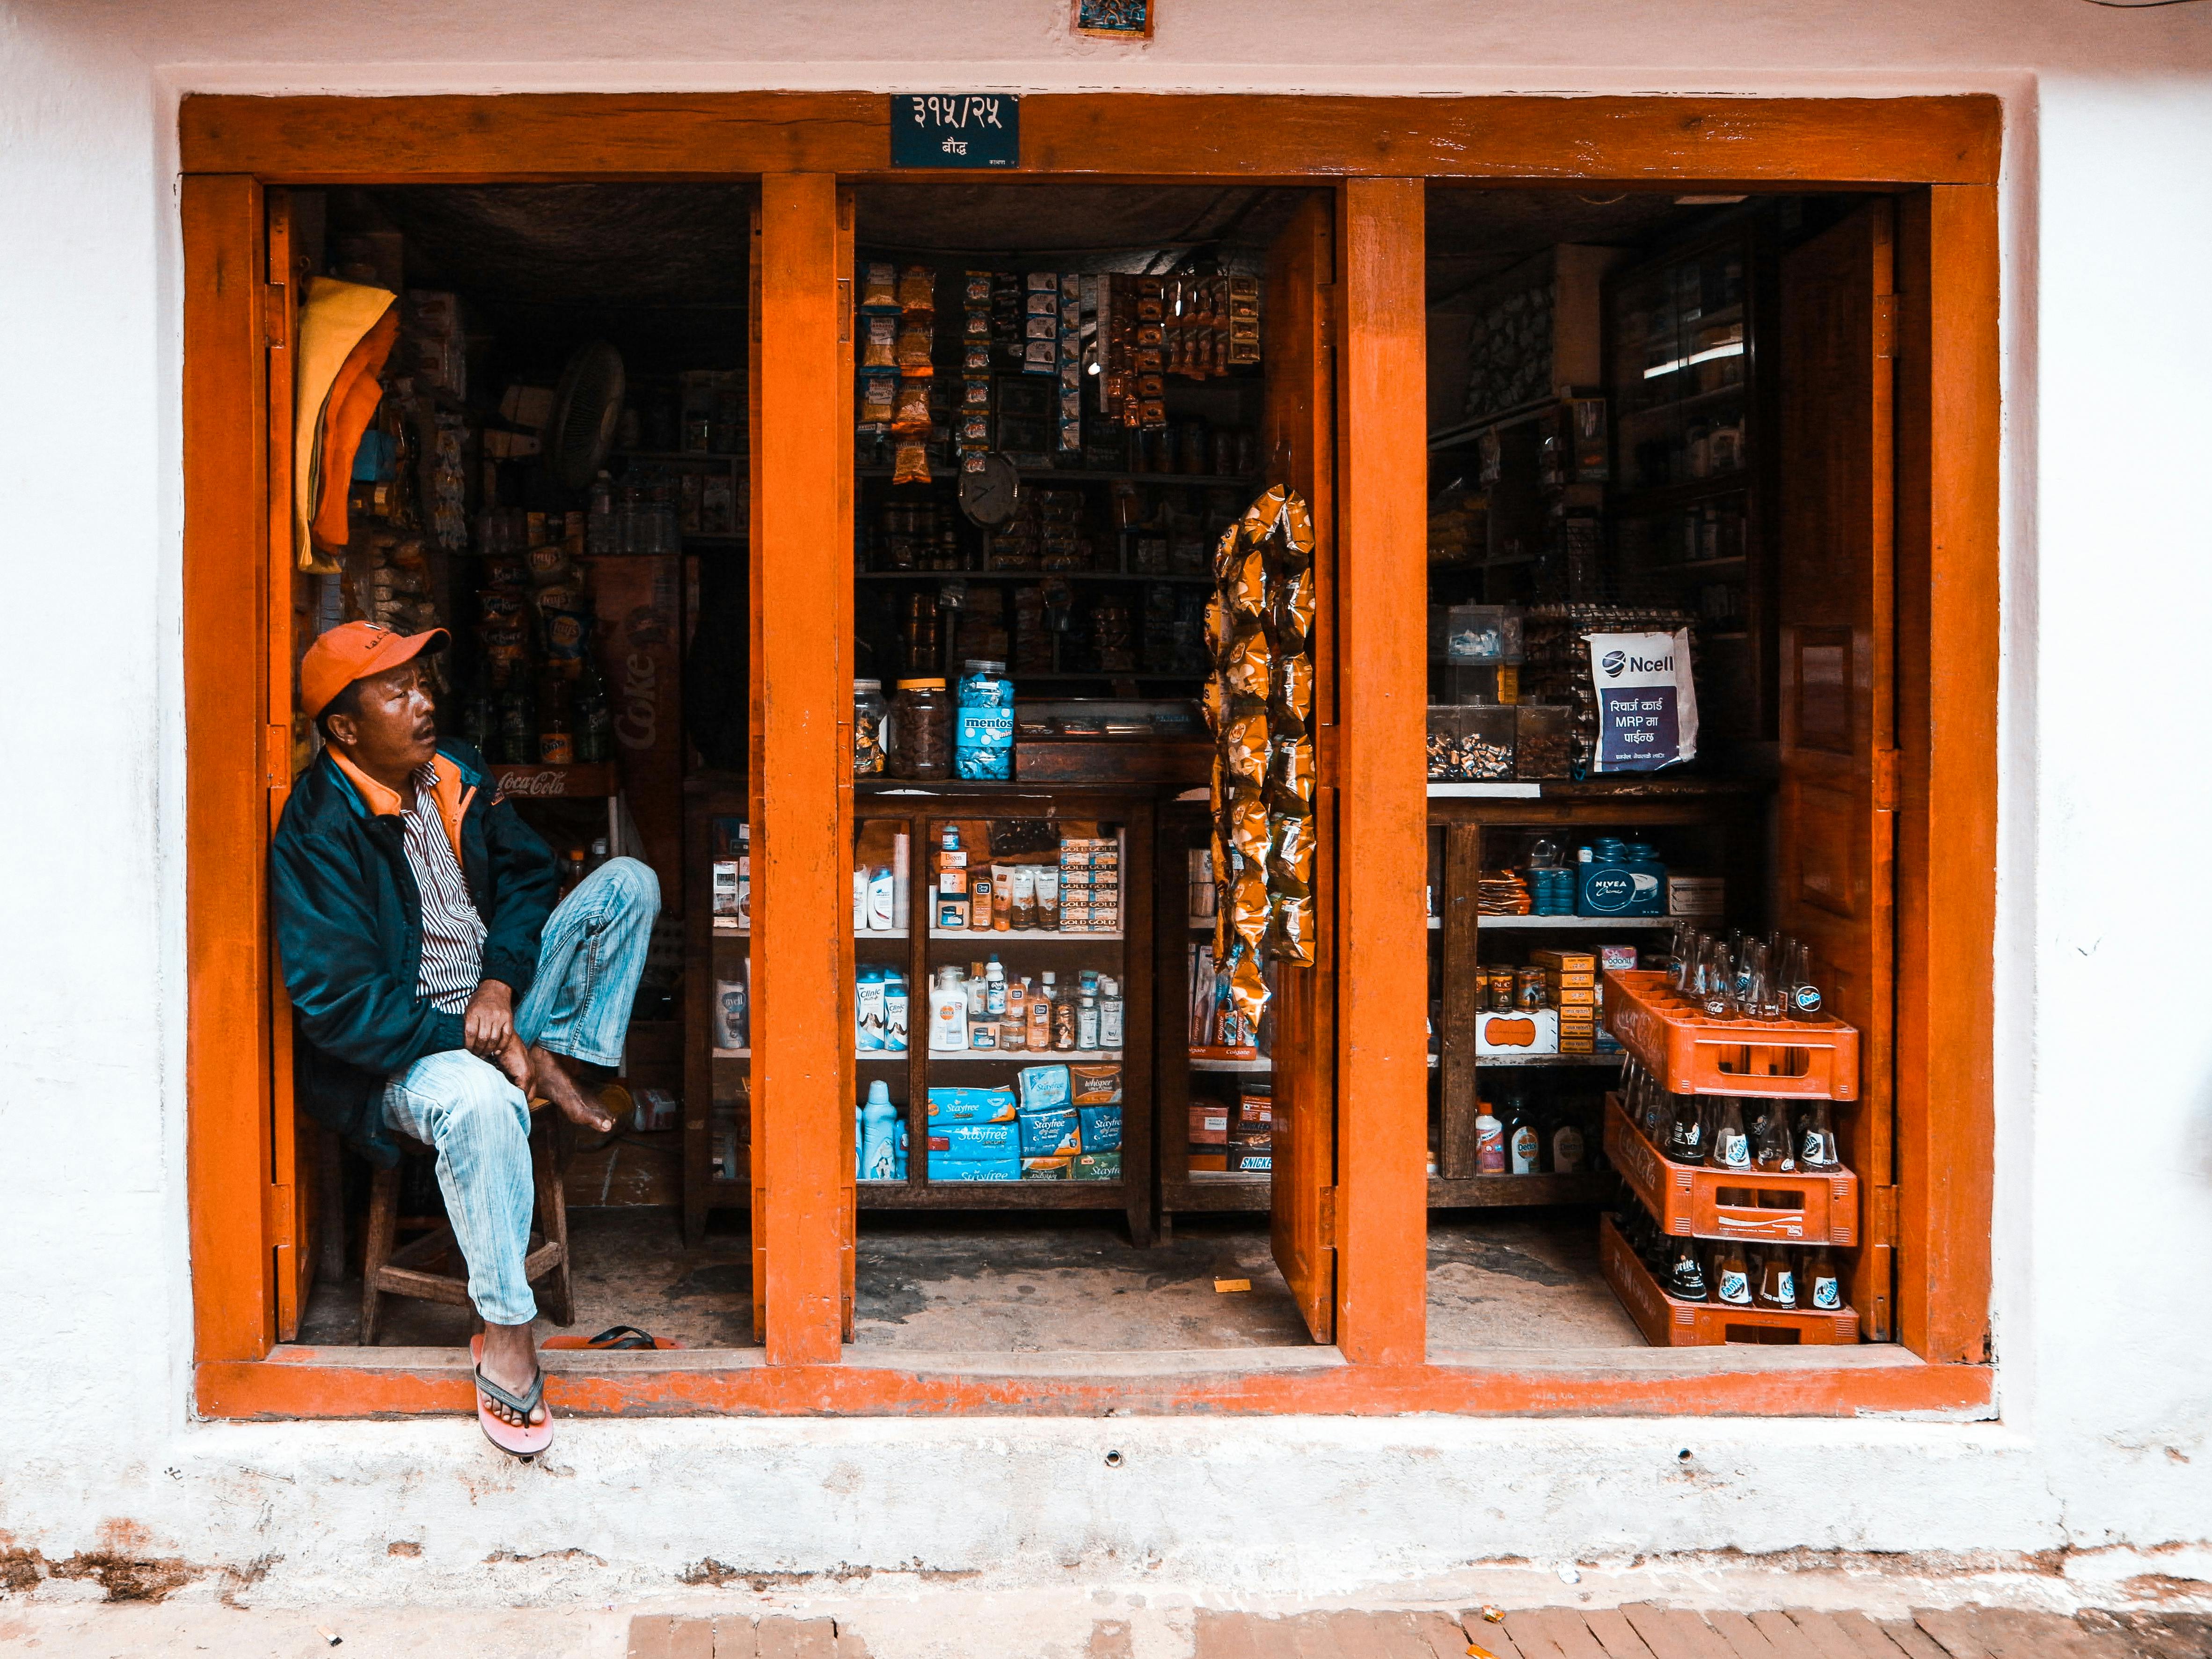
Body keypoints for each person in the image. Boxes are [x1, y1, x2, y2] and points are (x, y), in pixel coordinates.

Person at [271, 621, 660, 1456]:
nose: (426, 703)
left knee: (629, 884)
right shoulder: (317, 832)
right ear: (343, 728)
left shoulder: (452, 768)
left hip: (495, 1005)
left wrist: (500, 986)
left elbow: (526, 875)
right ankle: (509, 1334)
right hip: (409, 1050)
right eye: (399, 691)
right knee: (481, 1094)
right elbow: (340, 1008)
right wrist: (473, 1034)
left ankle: (560, 1060)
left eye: (424, 682)